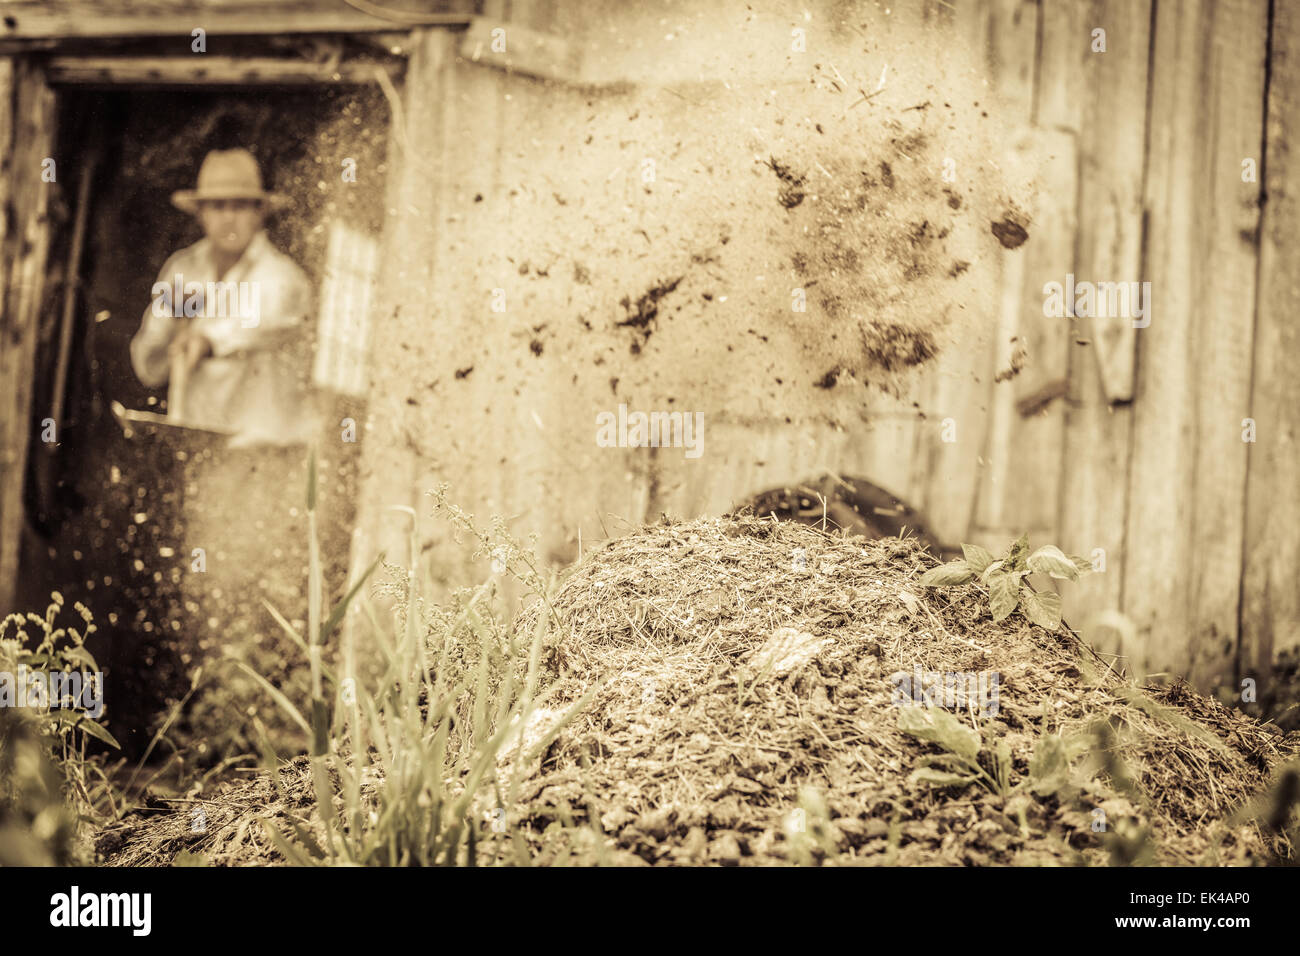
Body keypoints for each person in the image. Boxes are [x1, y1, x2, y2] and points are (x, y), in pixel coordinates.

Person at [130, 148, 315, 446]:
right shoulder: (183, 269)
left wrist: (205, 341)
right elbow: (149, 365)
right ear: (201, 214)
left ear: (260, 212)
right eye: (217, 206)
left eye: (240, 206)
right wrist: (168, 334)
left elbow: (256, 323)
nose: (229, 218)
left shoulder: (282, 278)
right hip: (199, 443)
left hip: (265, 447)